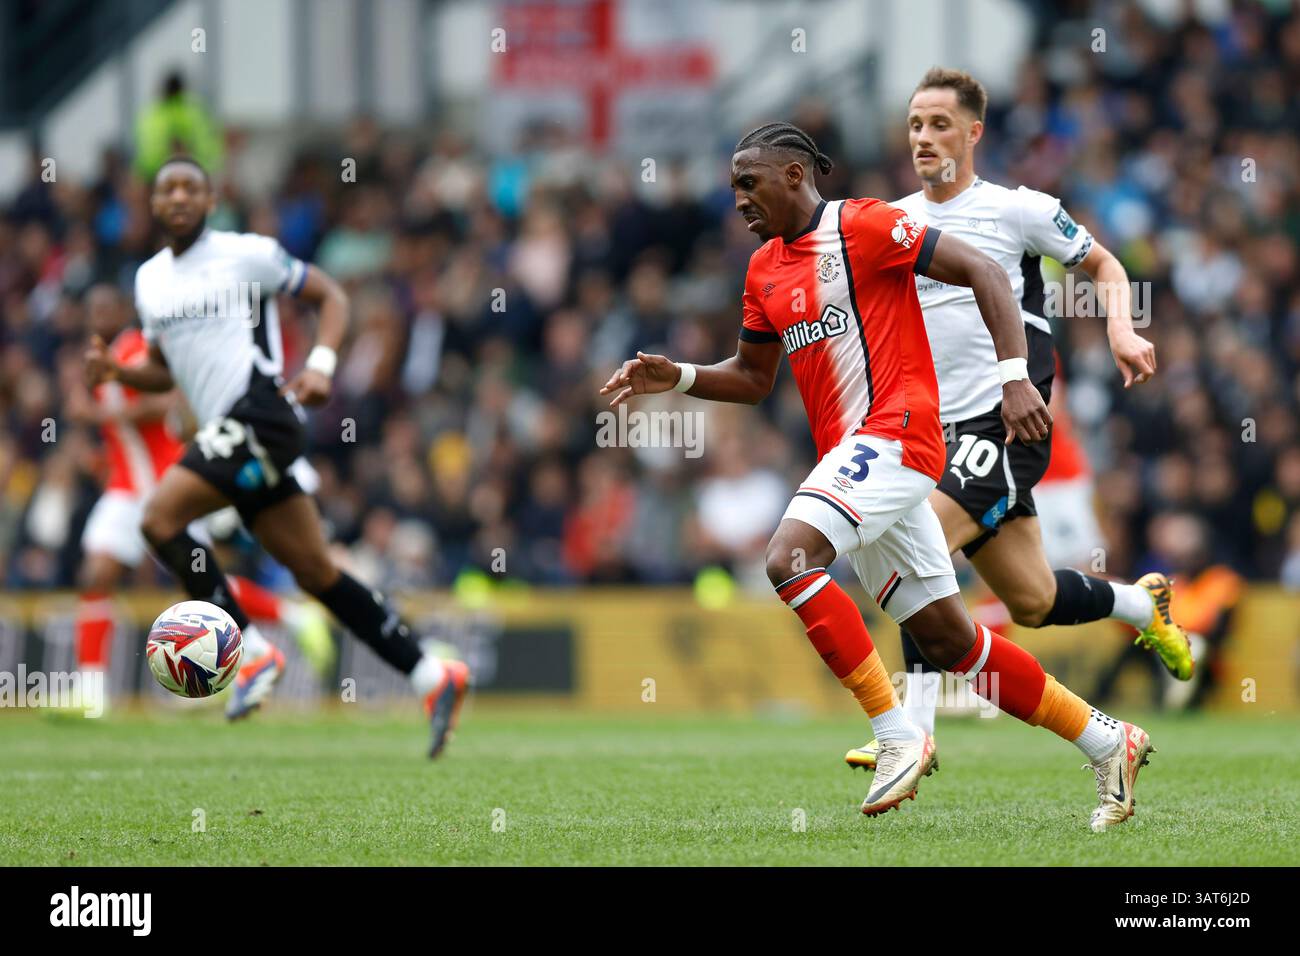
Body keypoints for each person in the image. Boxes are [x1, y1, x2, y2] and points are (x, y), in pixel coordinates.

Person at [601, 122, 1154, 831]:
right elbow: (751, 377)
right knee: (954, 643)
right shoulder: (764, 270)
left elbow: (984, 270)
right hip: (856, 458)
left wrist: (1016, 378)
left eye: (750, 182)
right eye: (733, 186)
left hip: (899, 434)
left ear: (795, 176)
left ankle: (898, 734)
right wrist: (674, 377)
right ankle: (1109, 741)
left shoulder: (864, 225)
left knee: (788, 556)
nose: (738, 199)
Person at [844, 68, 1191, 771]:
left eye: (940, 123)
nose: (924, 137)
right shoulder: (892, 221)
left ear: (974, 133)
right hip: (934, 437)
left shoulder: (1019, 209)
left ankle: (911, 734)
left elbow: (1107, 266)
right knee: (1032, 600)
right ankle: (1139, 605)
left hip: (1007, 424)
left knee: (920, 545)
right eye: (915, 124)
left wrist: (1121, 331)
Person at [84, 156, 468, 757]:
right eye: (167, 189)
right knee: (315, 572)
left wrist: (319, 365)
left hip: (263, 413)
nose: (178, 196)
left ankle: (251, 651)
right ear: (154, 205)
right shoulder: (150, 280)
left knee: (158, 519)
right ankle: (429, 673)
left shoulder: (245, 254)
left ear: (211, 200)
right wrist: (119, 370)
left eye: (191, 187)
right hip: (229, 432)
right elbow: (165, 369)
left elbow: (331, 295)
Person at [67, 283, 327, 704]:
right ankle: (90, 690)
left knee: (199, 584)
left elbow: (171, 402)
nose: (97, 316)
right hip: (124, 489)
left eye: (104, 307)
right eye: (91, 310)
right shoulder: (97, 361)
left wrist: (102, 413)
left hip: (170, 486)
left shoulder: (137, 350)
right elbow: (118, 431)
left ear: (122, 310)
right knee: (96, 573)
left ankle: (291, 616)